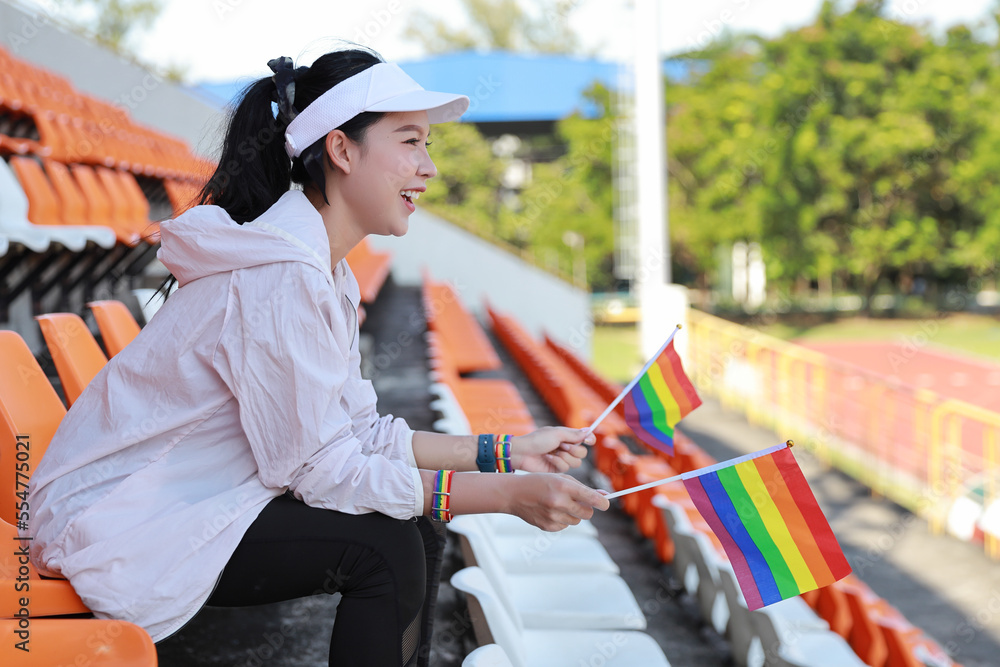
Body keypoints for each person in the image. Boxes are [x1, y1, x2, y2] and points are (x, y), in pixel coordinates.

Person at [25, 46, 610, 667]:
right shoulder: (280, 277)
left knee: (412, 525)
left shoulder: (321, 270)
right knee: (383, 547)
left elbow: (355, 433)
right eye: (411, 141)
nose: (429, 167)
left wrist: (506, 453)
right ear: (341, 150)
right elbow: (320, 472)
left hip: (172, 501)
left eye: (427, 145)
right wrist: (509, 495)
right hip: (112, 521)